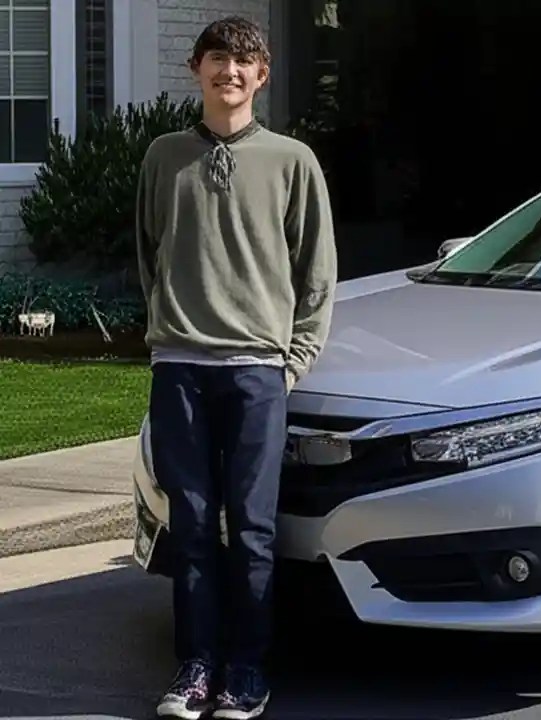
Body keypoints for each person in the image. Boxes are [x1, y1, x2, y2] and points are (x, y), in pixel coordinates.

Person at [134, 16, 336, 720]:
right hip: (181, 368)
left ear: (263, 74)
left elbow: (317, 275)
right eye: (218, 59)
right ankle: (195, 667)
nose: (231, 71)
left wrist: (293, 361)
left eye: (245, 60)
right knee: (189, 525)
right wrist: (166, 335)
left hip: (257, 371)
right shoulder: (163, 157)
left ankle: (246, 671)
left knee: (251, 527)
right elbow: (149, 252)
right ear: (197, 70)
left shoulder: (292, 162)